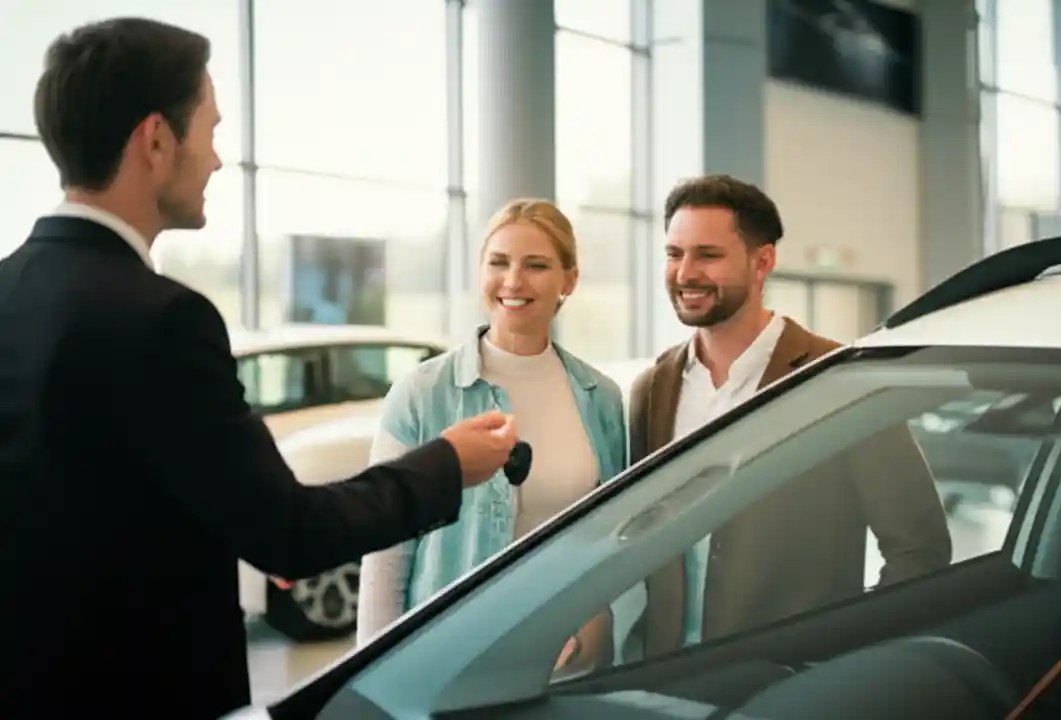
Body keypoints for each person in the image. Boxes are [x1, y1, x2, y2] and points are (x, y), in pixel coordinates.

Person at [0, 17, 516, 720]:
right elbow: (291, 534)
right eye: (209, 130)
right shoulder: (162, 319)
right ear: (156, 139)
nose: (216, 160)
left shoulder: (10, 291)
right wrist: (449, 464)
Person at [626, 174, 953, 658]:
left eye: (708, 255)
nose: (685, 272)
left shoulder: (838, 382)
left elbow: (918, 549)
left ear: (763, 262)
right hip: (664, 677)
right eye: (674, 254)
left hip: (790, 682)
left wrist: (846, 658)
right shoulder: (653, 389)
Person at [356, 198, 628, 671]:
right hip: (446, 661)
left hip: (570, 663)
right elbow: (386, 555)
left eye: (536, 265)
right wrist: (373, 681)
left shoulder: (600, 397)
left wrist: (593, 626)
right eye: (498, 263)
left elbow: (612, 540)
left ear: (570, 280)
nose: (513, 282)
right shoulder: (423, 393)